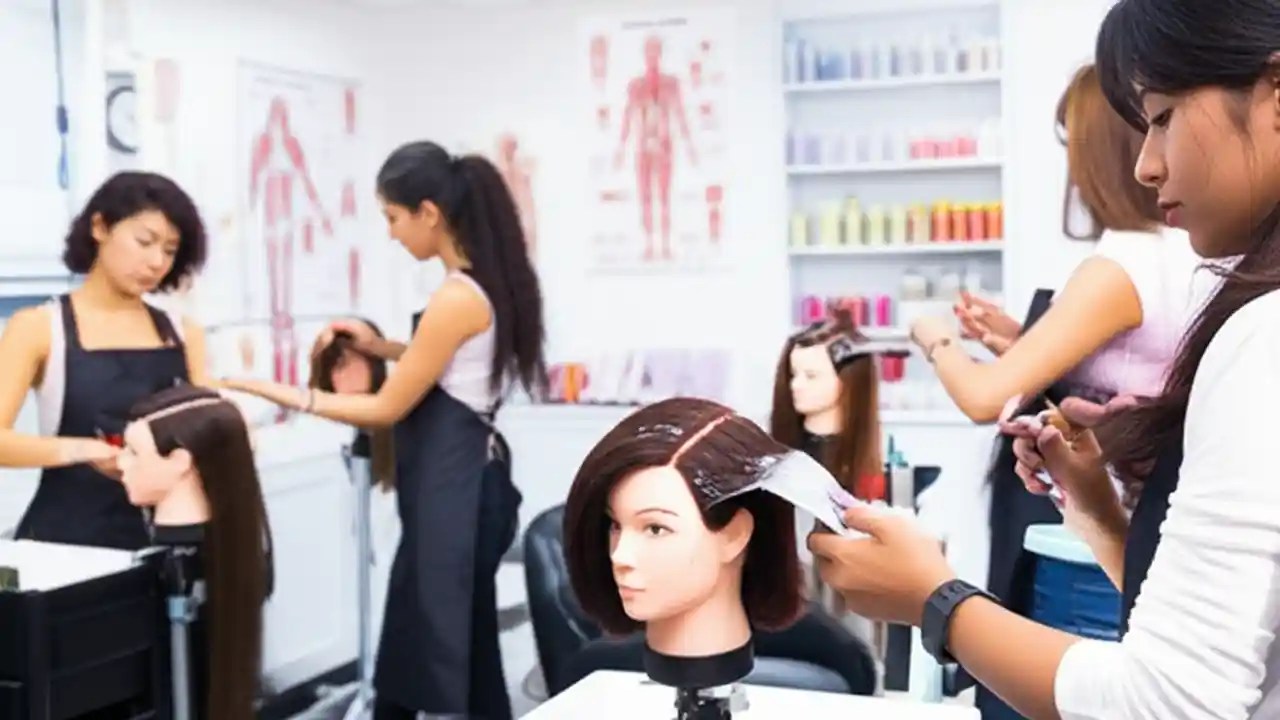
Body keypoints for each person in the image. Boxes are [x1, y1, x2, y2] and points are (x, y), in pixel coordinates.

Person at [809, 1, 1280, 716]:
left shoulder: (1257, 332)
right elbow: (1236, 644)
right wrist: (1097, 510)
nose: (1148, 165)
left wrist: (933, 601)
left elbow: (1173, 701)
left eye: (1160, 118)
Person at [222, 140, 545, 720]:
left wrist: (284, 393)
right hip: (466, 486)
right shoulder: (484, 284)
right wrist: (379, 346)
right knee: (441, 640)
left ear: (429, 212)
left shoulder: (456, 297)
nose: (392, 234)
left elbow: (385, 409)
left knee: (441, 640)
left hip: (460, 492)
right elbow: (448, 362)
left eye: (393, 218)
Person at [1, 171, 210, 550]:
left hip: (170, 545)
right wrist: (81, 450)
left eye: (169, 250)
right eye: (144, 241)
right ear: (100, 227)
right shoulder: (38, 328)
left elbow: (211, 430)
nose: (156, 262)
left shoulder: (184, 333)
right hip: (67, 546)